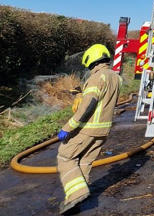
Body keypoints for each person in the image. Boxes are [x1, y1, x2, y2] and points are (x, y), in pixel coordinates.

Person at [56, 44, 122, 214]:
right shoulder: (114, 76)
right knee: (84, 160)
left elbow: (88, 105)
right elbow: (101, 99)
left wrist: (68, 127)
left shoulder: (97, 77)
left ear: (92, 59)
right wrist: (80, 93)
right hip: (103, 130)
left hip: (89, 128)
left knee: (65, 156)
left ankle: (78, 193)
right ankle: (77, 198)